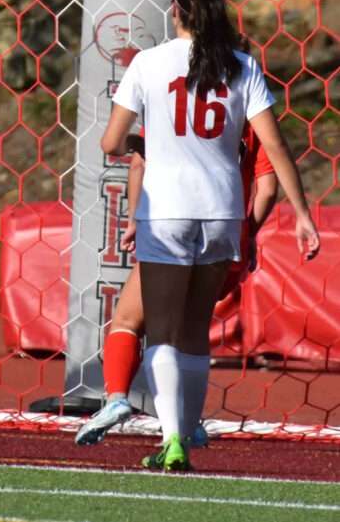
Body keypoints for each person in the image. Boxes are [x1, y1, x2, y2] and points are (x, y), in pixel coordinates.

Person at [100, 0, 319, 472]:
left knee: (162, 330)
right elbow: (275, 146)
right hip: (223, 213)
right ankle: (188, 433)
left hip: (166, 210)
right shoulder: (242, 65)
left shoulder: (149, 64)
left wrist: (141, 143)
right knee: (197, 329)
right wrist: (302, 215)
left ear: (174, 8)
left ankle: (172, 439)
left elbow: (112, 143)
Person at [75, 122, 277, 447]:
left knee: (129, 321)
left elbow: (139, 160)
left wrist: (134, 220)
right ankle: (189, 423)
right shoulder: (252, 112)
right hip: (226, 237)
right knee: (191, 331)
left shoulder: (172, 93)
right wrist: (249, 235)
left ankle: (117, 399)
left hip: (172, 227)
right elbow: (267, 188)